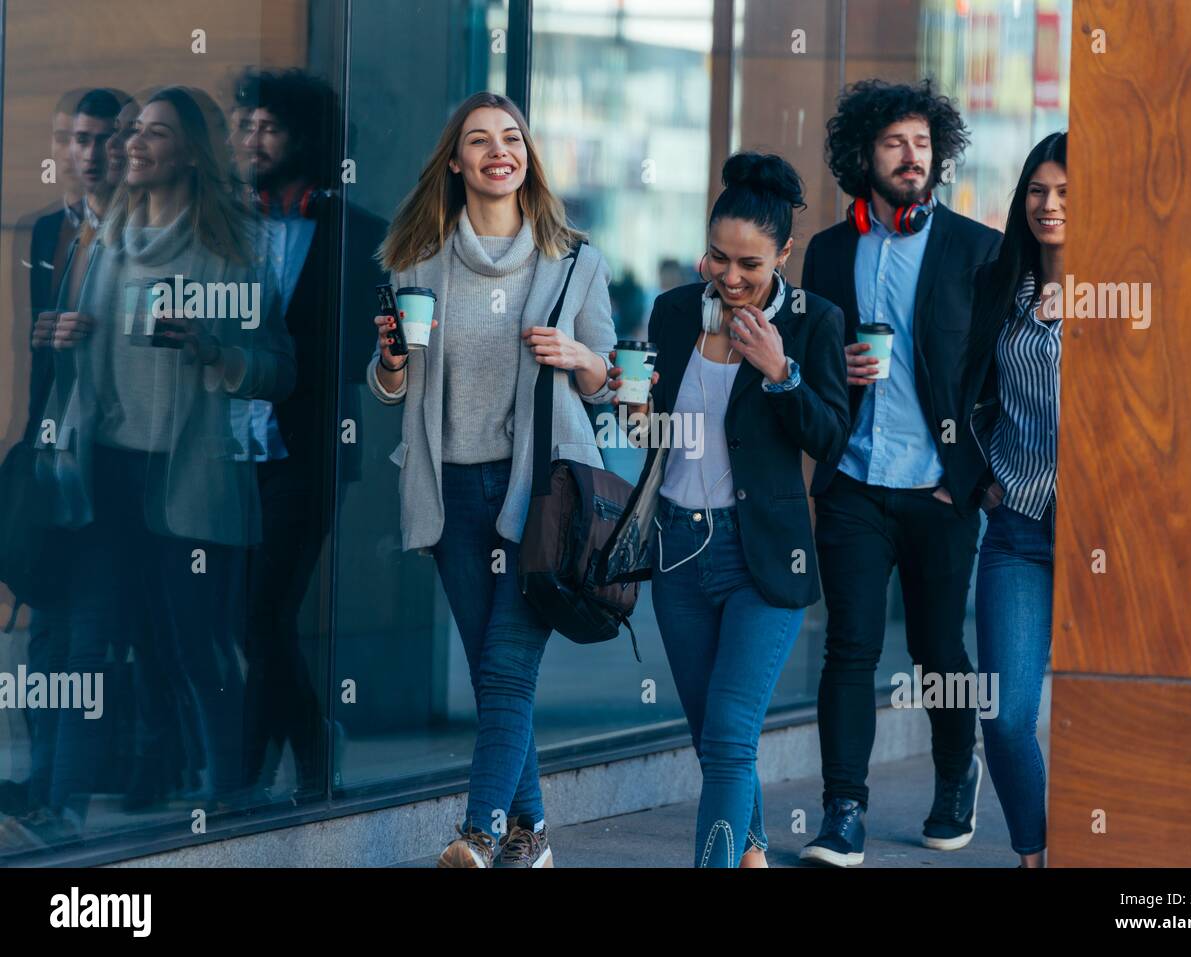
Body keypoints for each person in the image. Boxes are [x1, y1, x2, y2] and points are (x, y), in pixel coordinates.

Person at [34, 85, 293, 838]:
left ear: (191, 150)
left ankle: (230, 796)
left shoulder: (230, 248)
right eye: (132, 131)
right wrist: (57, 336)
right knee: (88, 643)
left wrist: (215, 350)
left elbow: (279, 366)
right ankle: (61, 808)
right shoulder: (102, 241)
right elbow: (76, 374)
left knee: (194, 645)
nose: (134, 143)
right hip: (102, 474)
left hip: (188, 481)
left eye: (154, 132)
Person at [367, 91, 616, 868]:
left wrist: (577, 358)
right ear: (456, 162)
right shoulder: (416, 264)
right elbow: (389, 387)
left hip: (541, 497)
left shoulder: (573, 260)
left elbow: (610, 378)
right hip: (454, 491)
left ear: (527, 157)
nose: (498, 150)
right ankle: (531, 836)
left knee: (508, 669)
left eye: (512, 137)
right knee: (495, 676)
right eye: (479, 141)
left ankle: (478, 832)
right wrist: (391, 363)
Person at [602, 152, 850, 867]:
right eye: (718, 257)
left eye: (750, 264)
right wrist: (632, 409)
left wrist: (782, 372)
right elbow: (657, 437)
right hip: (678, 550)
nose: (731, 277)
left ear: (784, 254)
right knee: (713, 731)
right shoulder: (674, 312)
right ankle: (752, 850)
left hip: (763, 555)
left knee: (731, 736)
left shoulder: (813, 322)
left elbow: (830, 437)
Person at [799, 78, 1001, 866]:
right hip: (853, 481)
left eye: (922, 143)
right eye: (895, 143)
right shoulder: (828, 251)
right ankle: (842, 810)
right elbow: (811, 369)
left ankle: (957, 774)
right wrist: (836, 373)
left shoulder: (976, 249)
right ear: (864, 156)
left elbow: (997, 377)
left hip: (939, 488)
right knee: (848, 646)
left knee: (936, 648)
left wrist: (969, 476)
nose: (913, 156)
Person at [231, 68, 385, 799]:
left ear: (306, 138)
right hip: (225, 448)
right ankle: (279, 753)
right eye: (243, 124)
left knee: (265, 611)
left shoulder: (362, 234)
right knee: (243, 615)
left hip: (307, 450)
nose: (250, 139)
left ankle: (273, 760)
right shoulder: (222, 221)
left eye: (268, 126)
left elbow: (361, 352)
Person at [965, 131, 1067, 869]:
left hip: (1108, 536)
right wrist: (979, 478)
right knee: (1004, 717)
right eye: (1037, 189)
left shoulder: (1125, 287)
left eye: (1066, 192)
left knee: (1121, 713)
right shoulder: (1001, 282)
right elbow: (964, 386)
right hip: (1019, 527)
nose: (1049, 204)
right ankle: (1034, 854)